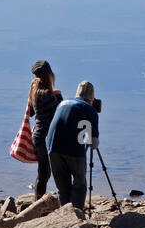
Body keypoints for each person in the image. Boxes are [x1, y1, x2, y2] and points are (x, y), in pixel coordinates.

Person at [45, 80, 100, 210]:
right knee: (80, 184)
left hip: (52, 147)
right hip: (74, 150)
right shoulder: (89, 109)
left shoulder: (62, 103)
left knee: (63, 187)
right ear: (91, 99)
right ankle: (77, 215)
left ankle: (65, 215)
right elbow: (94, 143)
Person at [26, 60, 62, 199]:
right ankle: (39, 202)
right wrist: (58, 95)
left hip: (38, 136)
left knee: (43, 173)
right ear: (49, 75)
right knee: (50, 172)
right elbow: (61, 114)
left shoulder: (34, 92)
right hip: (49, 137)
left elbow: (30, 113)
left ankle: (37, 200)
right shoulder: (51, 95)